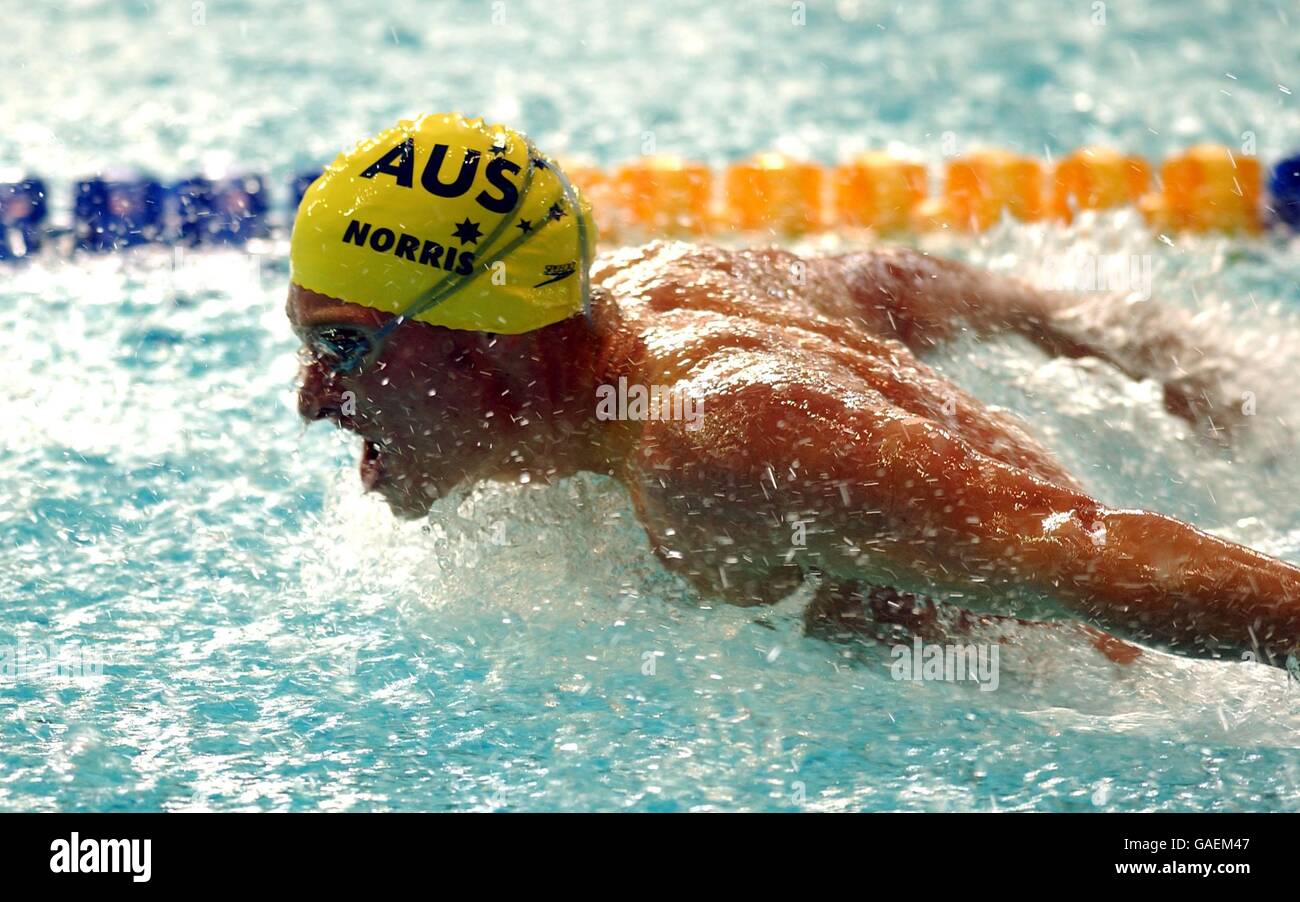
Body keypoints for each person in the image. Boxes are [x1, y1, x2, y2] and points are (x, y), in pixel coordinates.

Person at [288, 113, 1300, 669]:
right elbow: (913, 282)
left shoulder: (710, 439)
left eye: (340, 348)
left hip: (1116, 704)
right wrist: (1194, 374)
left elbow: (1069, 546)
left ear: (488, 340)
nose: (312, 398)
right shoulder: (662, 285)